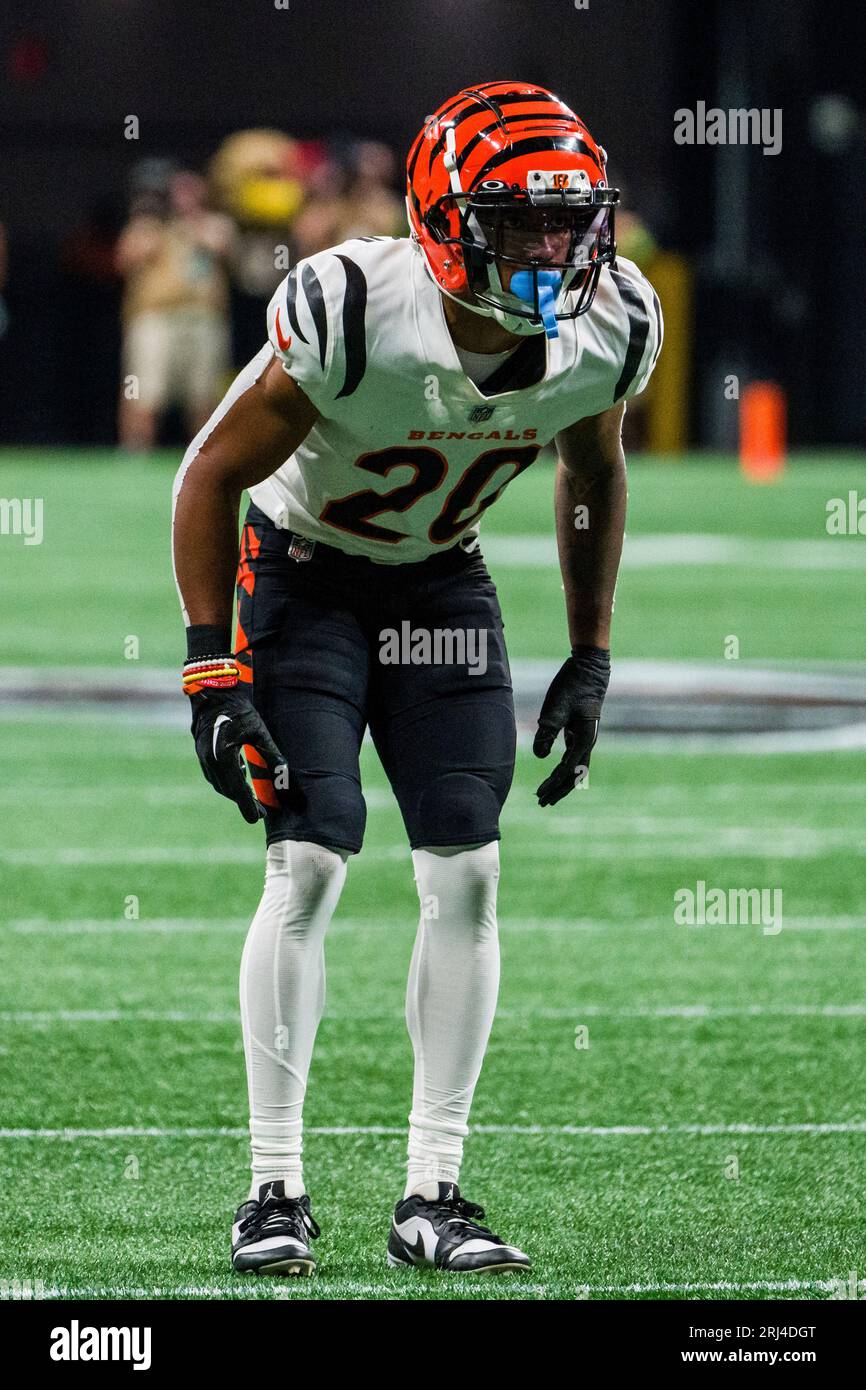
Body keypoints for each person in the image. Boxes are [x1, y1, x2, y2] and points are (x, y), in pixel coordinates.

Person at [172, 81, 662, 1277]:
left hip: (441, 585)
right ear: (444, 222)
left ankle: (431, 1195)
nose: (552, 248)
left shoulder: (615, 321)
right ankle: (273, 1190)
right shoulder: (352, 306)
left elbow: (591, 468)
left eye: (569, 220)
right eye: (519, 221)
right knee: (307, 859)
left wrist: (590, 651)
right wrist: (210, 662)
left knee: (468, 868)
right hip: (304, 580)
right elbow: (209, 473)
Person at [116, 171, 235, 449]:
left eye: (191, 191)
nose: (185, 198)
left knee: (203, 397)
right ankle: (135, 453)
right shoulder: (148, 226)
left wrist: (193, 230)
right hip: (156, 318)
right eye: (179, 192)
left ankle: (204, 459)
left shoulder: (215, 225)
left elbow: (226, 251)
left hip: (204, 319)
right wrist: (149, 234)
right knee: (144, 392)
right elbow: (123, 260)